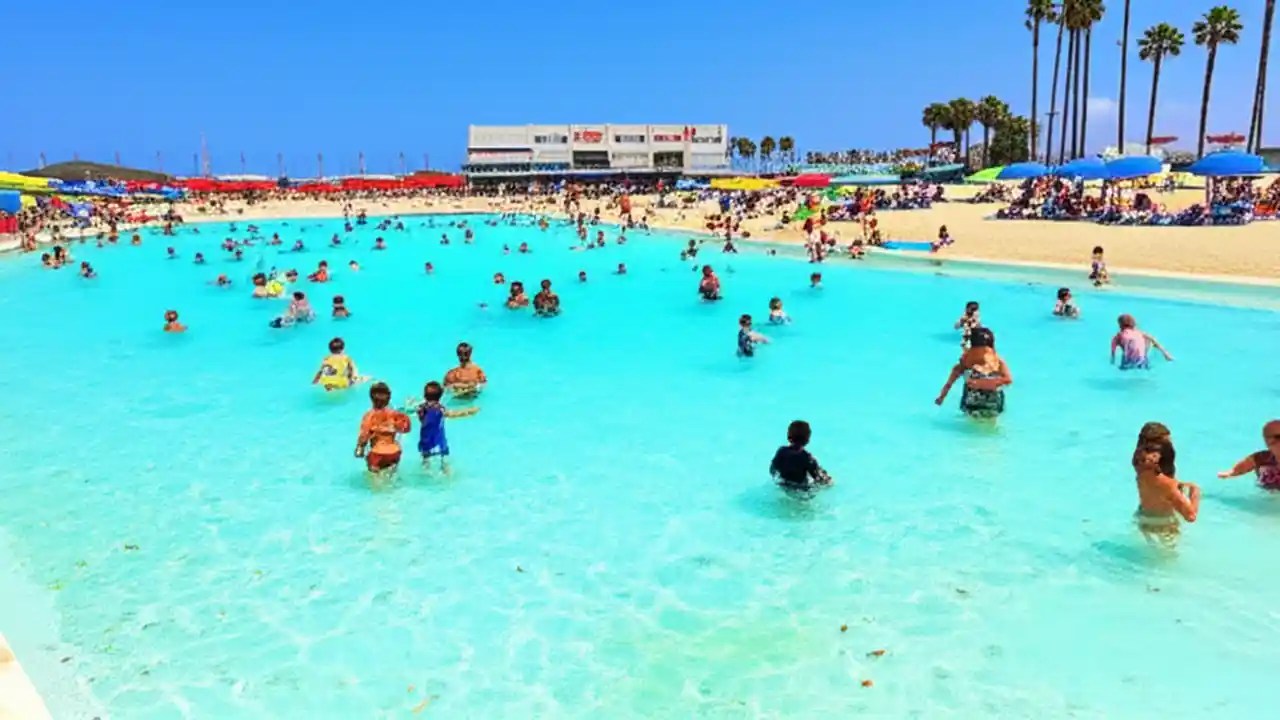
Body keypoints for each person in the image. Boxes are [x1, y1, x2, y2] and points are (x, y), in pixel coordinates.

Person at [1133, 438, 1201, 546]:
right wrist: (1195, 493)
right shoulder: (1169, 486)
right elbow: (1191, 516)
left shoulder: (1141, 477)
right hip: (1164, 526)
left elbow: (1157, 486)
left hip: (1143, 521)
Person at [935, 327, 1012, 418]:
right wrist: (942, 396)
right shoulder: (966, 363)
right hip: (985, 405)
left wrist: (981, 384)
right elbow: (1008, 380)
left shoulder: (997, 362)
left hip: (980, 405)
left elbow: (1008, 379)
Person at [406, 381, 480, 473]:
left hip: (425, 439)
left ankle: (425, 473)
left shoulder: (420, 408)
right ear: (440, 397)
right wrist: (470, 411)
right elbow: (454, 414)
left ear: (425, 395)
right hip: (439, 439)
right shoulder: (440, 409)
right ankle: (447, 474)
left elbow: (410, 412)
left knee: (425, 460)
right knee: (444, 460)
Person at [355, 382, 412, 475]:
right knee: (391, 476)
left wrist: (360, 448)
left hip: (377, 453)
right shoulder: (395, 414)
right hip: (394, 452)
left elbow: (364, 435)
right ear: (389, 398)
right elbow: (406, 429)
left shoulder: (369, 415)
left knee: (375, 480)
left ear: (371, 398)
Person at [1217, 420, 1280, 490]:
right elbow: (1242, 467)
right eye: (1278, 437)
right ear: (1268, 443)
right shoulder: (1261, 458)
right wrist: (1231, 473)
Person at [770, 420, 833, 490]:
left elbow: (772, 470)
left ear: (788, 436)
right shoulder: (808, 458)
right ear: (807, 440)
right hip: (801, 492)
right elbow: (820, 479)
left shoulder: (781, 451)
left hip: (783, 486)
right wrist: (829, 481)